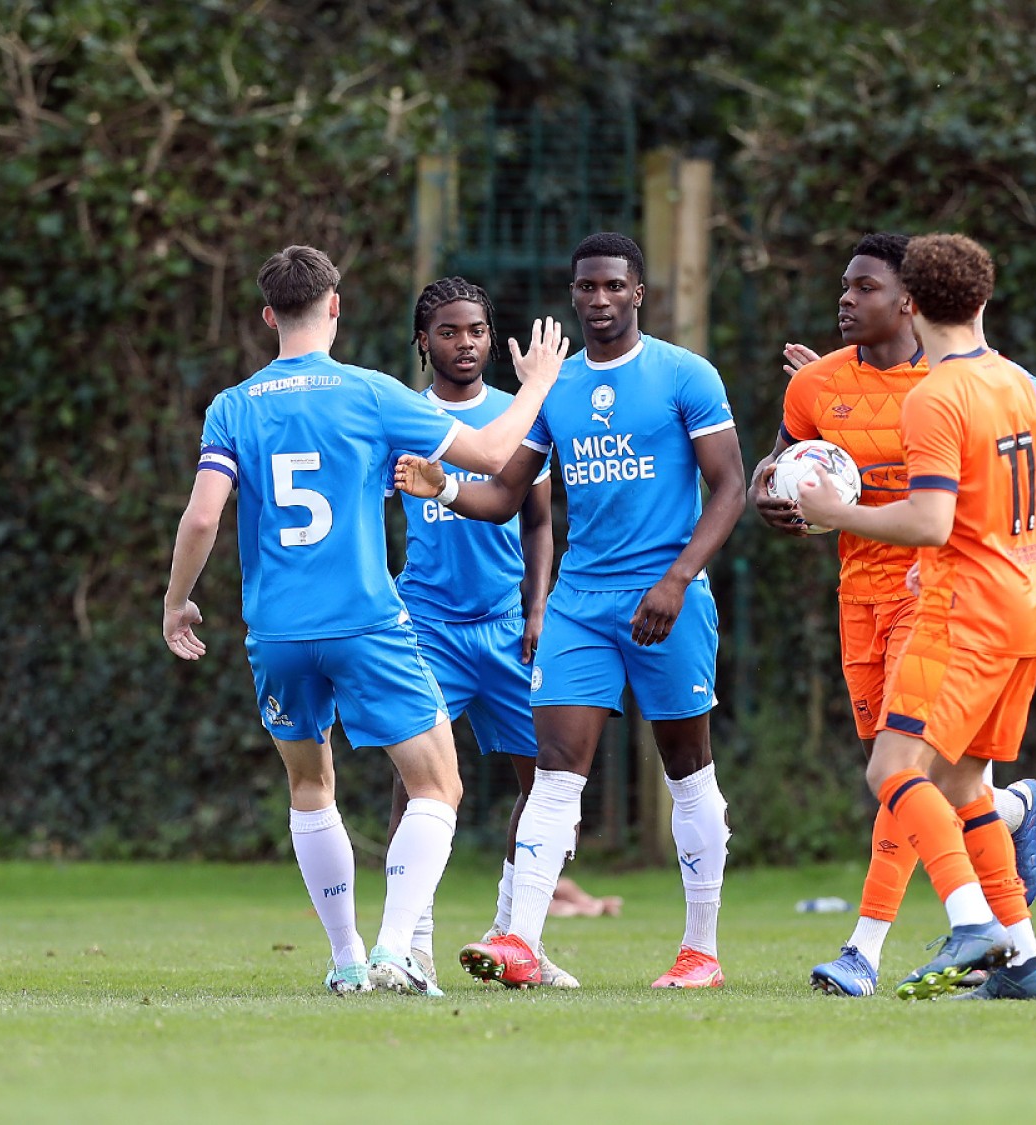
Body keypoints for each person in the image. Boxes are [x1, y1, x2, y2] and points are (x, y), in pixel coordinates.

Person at [161, 245, 565, 995]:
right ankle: (393, 950)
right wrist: (537, 383)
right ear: (335, 307)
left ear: (268, 315)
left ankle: (346, 959)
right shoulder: (371, 394)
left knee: (312, 787)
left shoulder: (234, 405)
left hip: (276, 631)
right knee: (438, 785)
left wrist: (177, 597)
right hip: (366, 623)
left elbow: (201, 517)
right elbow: (492, 449)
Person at [396, 232, 748, 988]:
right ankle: (519, 938)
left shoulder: (685, 375)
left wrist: (679, 578)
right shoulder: (556, 390)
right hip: (580, 605)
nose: (598, 299)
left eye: (613, 286)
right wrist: (445, 486)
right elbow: (507, 497)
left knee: (688, 775)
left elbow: (731, 487)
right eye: (586, 287)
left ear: (638, 293)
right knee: (555, 773)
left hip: (668, 598)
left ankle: (700, 951)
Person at [751, 232, 1036, 997]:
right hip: (1021, 605)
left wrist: (839, 512)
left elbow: (932, 524)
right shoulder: (1011, 380)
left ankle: (972, 919)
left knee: (894, 769)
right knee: (967, 782)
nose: (848, 299)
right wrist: (999, 532)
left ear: (911, 301)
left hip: (957, 608)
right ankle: (1028, 964)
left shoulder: (936, 396)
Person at [383, 276, 576, 989]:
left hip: (507, 627)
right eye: (449, 332)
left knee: (546, 779)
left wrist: (536, 605)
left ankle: (513, 934)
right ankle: (414, 941)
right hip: (427, 625)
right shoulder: (402, 416)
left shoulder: (512, 415)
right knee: (418, 781)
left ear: (492, 339)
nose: (465, 344)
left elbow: (536, 519)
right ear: (423, 341)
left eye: (477, 331)